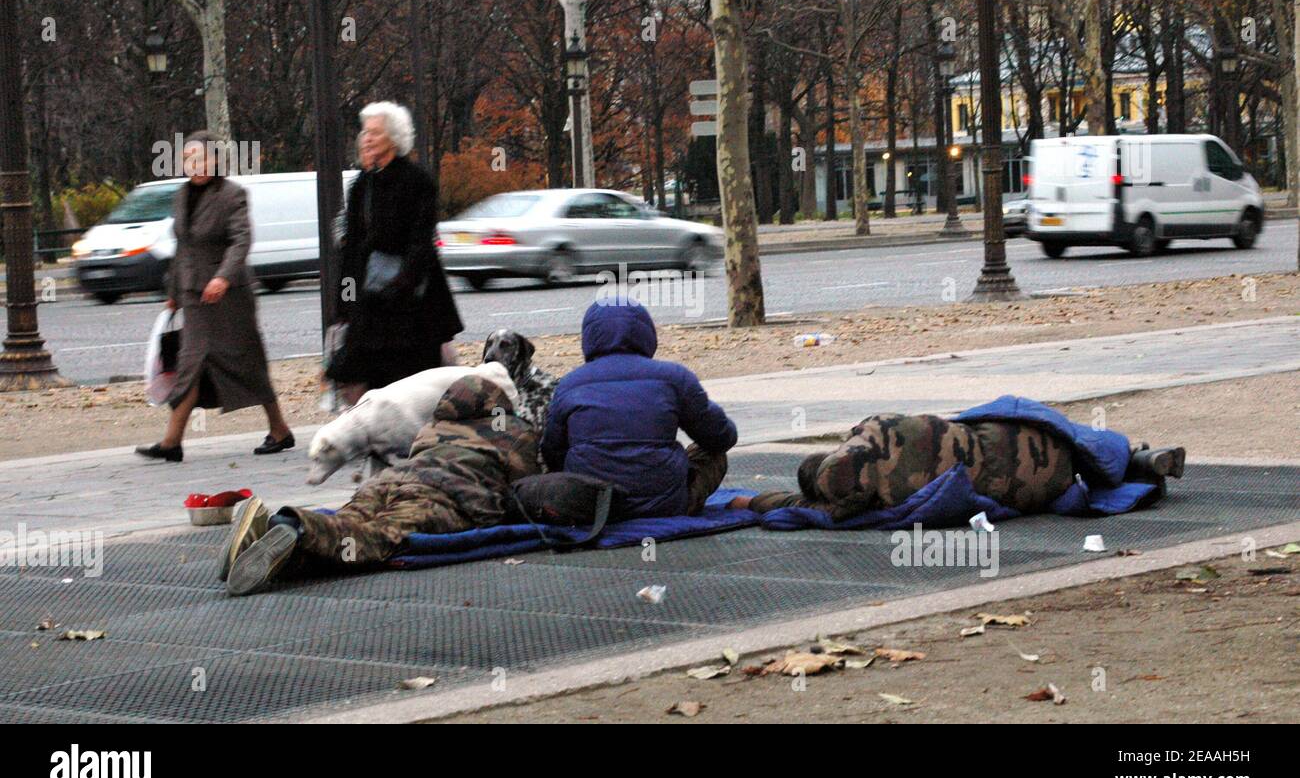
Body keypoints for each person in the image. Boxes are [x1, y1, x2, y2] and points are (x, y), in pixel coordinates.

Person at [220, 374, 538, 595]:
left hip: (389, 481)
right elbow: (523, 487)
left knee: (349, 521)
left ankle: (275, 546)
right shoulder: (514, 431)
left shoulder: (434, 426)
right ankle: (290, 525)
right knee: (380, 537)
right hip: (445, 496)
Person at [739, 400, 1185, 518]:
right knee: (1076, 440)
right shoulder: (877, 424)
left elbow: (799, 511)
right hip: (1025, 436)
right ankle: (1133, 455)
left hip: (1039, 487)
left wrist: (750, 502)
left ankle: (1135, 468)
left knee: (1068, 477)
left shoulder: (859, 499)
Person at [136, 132, 293, 462]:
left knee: (248, 363)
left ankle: (280, 430)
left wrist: (223, 276)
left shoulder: (232, 194)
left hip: (229, 299)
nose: (198, 165)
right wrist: (174, 293)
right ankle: (172, 442)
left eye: (204, 158)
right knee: (189, 366)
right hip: (194, 296)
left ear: (217, 161)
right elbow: (183, 246)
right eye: (190, 159)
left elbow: (241, 241)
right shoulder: (181, 196)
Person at [541, 300, 737, 518]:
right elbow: (720, 437)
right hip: (666, 507)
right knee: (711, 452)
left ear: (588, 337)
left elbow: (552, 451)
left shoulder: (569, 384)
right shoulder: (674, 377)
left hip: (593, 509)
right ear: (647, 333)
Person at [326, 101, 463, 406]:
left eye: (375, 132)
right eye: (365, 132)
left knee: (413, 374)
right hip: (370, 296)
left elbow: (421, 241)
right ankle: (375, 437)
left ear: (394, 138)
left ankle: (416, 434)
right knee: (360, 370)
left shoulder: (416, 181)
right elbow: (352, 249)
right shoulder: (362, 185)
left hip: (411, 299)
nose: (367, 138)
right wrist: (345, 301)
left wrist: (402, 284)